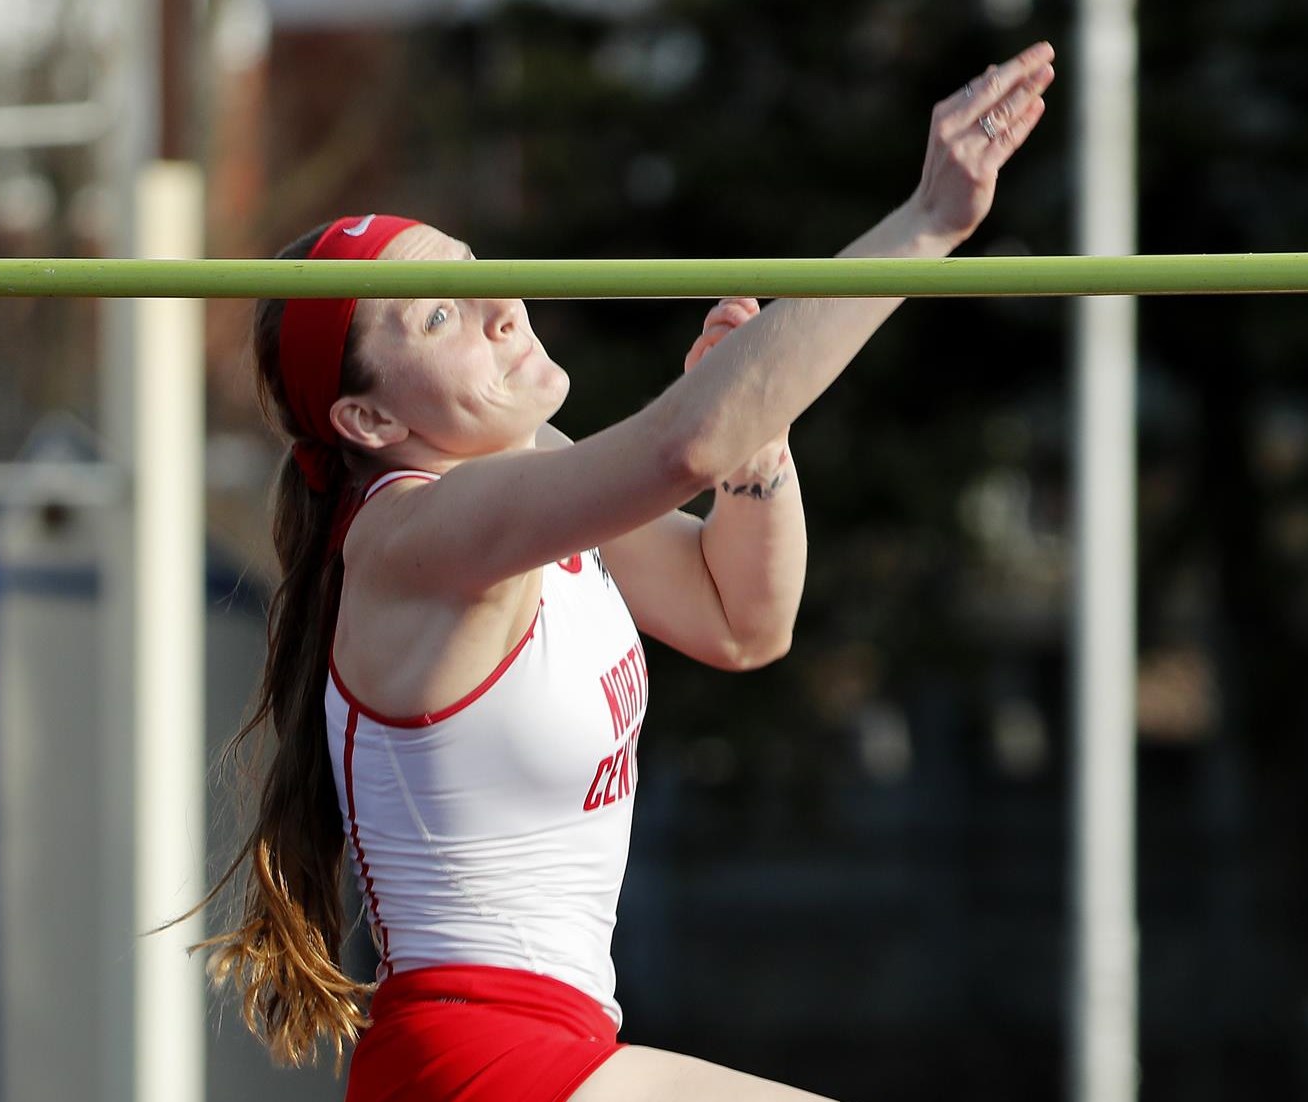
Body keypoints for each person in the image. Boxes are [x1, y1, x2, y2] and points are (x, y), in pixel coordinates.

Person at [195, 41, 1056, 1102]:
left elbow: (741, 617)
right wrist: (925, 225)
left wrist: (760, 452)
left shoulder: (531, 484)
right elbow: (674, 446)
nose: (499, 310)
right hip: (482, 1068)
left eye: (470, 279)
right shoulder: (412, 540)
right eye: (435, 316)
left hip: (554, 1053)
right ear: (369, 417)